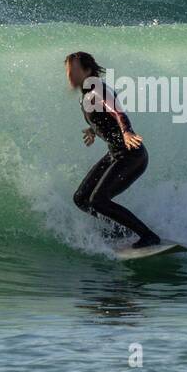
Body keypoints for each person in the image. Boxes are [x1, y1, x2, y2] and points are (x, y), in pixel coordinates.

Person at [65, 51, 161, 248]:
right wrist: (93, 130)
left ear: (88, 70)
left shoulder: (98, 89)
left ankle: (148, 236)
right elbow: (105, 117)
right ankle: (120, 231)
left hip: (131, 155)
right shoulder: (88, 94)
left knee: (98, 200)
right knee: (81, 199)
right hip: (116, 154)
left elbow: (117, 111)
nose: (69, 76)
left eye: (73, 71)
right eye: (68, 71)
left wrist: (127, 131)